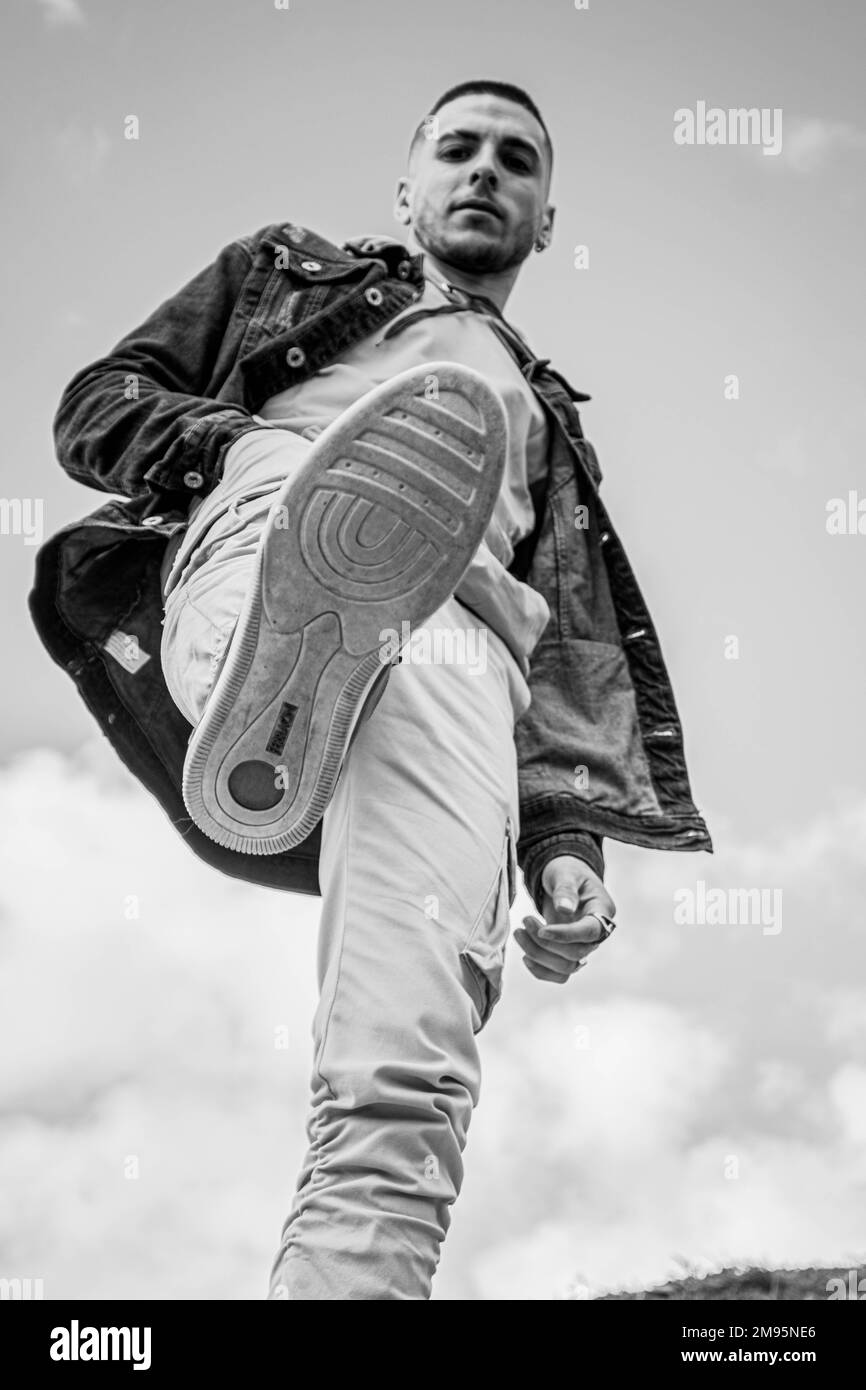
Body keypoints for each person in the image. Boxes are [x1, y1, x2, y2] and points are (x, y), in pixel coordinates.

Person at [29, 79, 713, 1300]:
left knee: (411, 1064)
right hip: (264, 516)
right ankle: (277, 654)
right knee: (306, 500)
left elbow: (557, 659)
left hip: (462, 658)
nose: (484, 170)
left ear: (546, 218)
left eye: (515, 159)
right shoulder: (285, 271)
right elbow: (96, 406)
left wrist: (563, 844)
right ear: (407, 190)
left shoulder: (547, 429)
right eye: (456, 149)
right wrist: (234, 445)